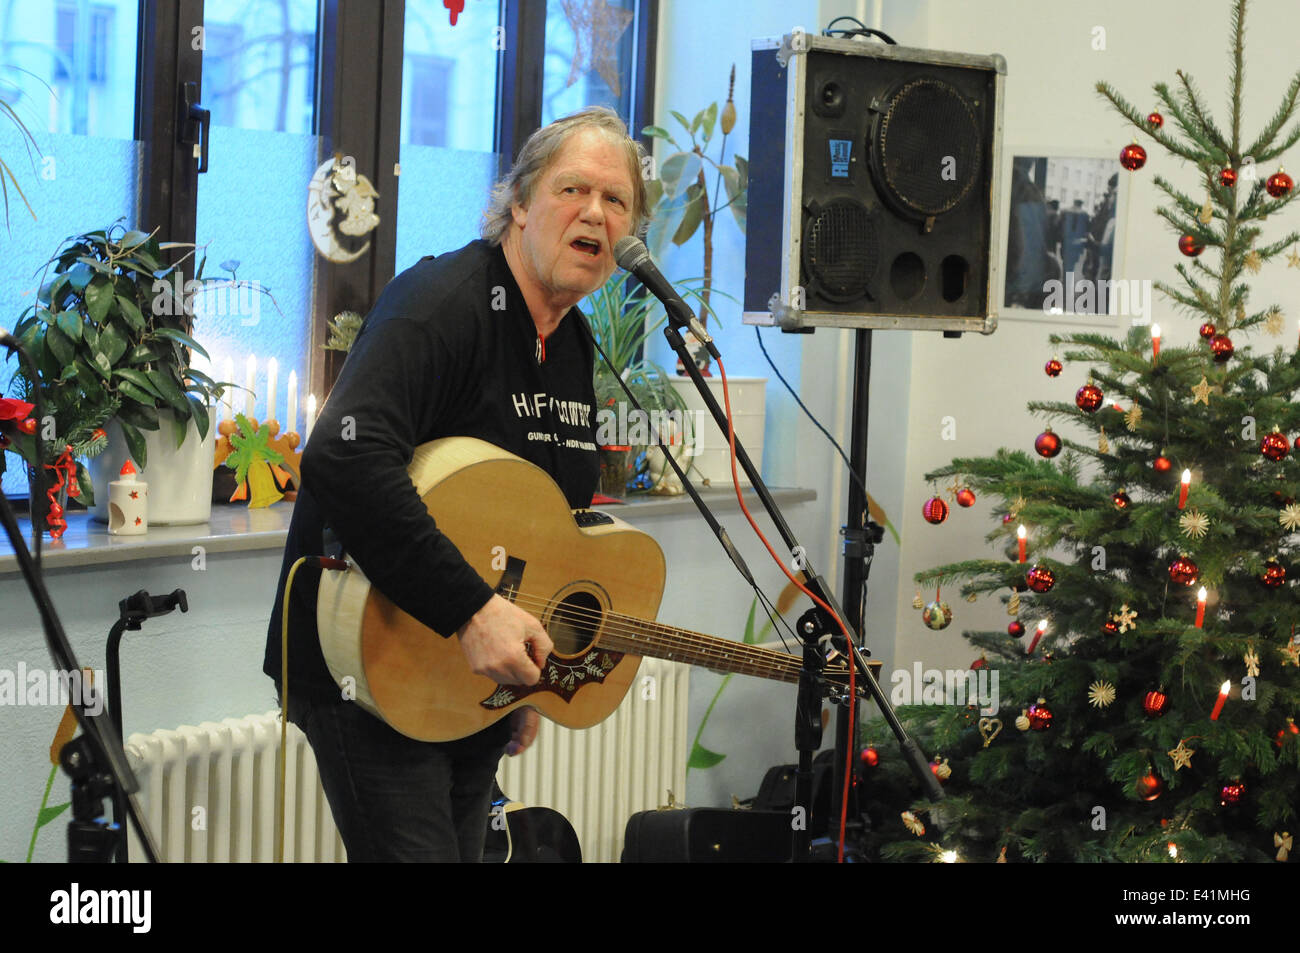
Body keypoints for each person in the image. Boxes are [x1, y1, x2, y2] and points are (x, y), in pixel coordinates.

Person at [263, 106, 646, 862]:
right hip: (363, 657)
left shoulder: (572, 339)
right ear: (520, 202)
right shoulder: (441, 304)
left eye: (617, 201)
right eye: (575, 190)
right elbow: (344, 455)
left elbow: (549, 518)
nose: (596, 215)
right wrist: (475, 613)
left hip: (468, 680)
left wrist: (531, 670)